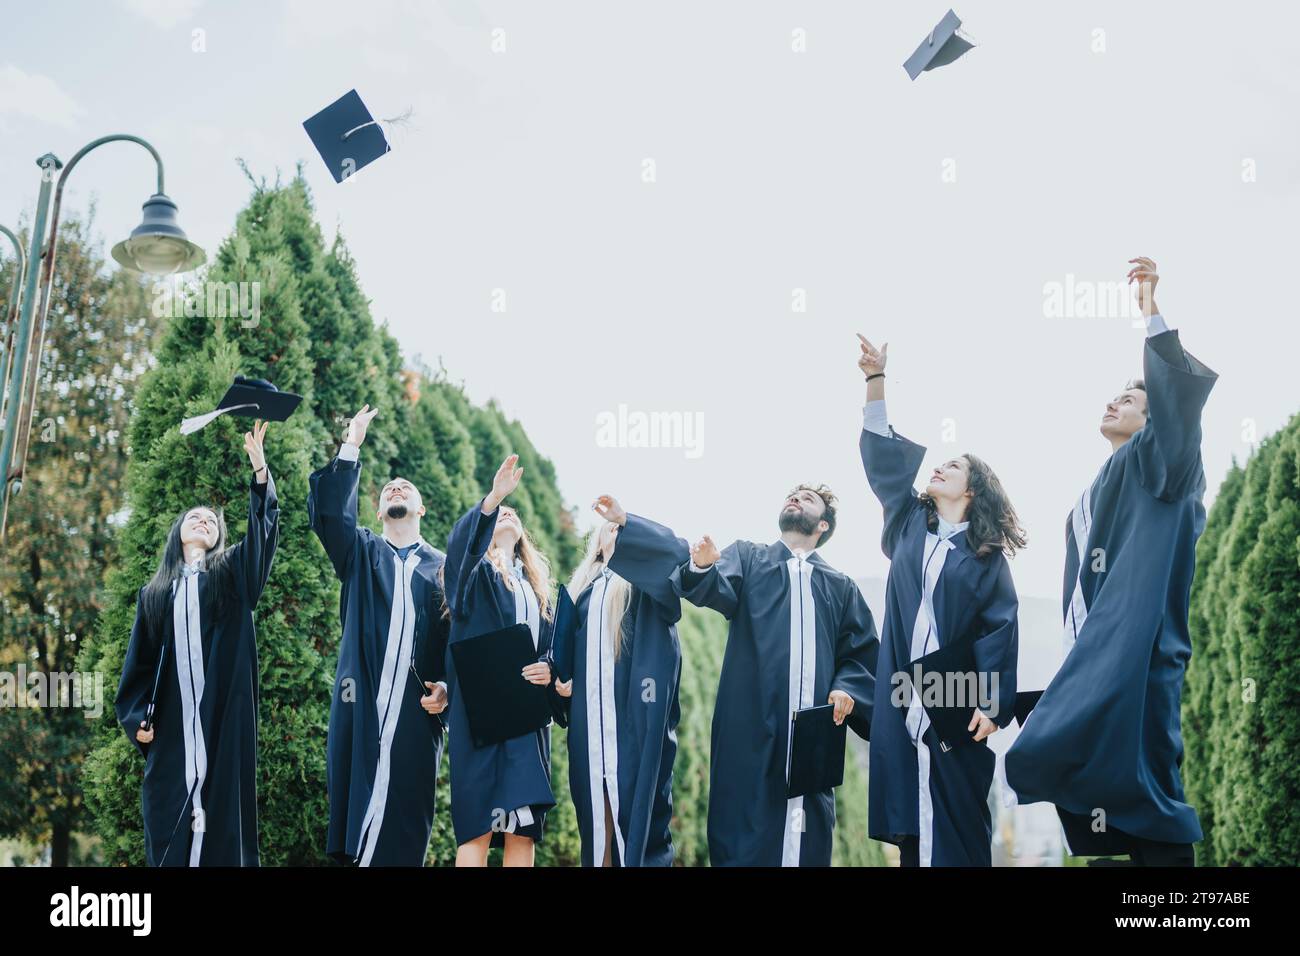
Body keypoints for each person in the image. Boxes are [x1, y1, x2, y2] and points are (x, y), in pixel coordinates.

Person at [1006, 258, 1217, 867]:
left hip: (1142, 660)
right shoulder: (1093, 490)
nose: (1114, 402)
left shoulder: (1162, 467)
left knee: (1150, 797)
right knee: (1095, 806)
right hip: (1093, 659)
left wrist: (1151, 314)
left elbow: (1180, 421)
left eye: (1129, 397)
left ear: (1155, 418)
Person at [856, 334, 1024, 866]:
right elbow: (885, 464)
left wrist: (993, 705)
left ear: (972, 491)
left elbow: (1001, 627)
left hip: (954, 700)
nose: (939, 468)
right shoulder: (908, 524)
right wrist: (875, 381)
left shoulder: (985, 557)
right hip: (903, 690)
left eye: (953, 467)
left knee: (956, 823)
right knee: (912, 824)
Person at [670, 484, 879, 866]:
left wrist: (847, 688)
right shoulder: (749, 558)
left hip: (815, 735)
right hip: (750, 726)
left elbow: (862, 657)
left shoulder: (840, 587)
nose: (795, 498)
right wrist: (702, 565)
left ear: (823, 525)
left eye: (808, 498)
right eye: (792, 494)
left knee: (807, 837)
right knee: (742, 830)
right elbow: (715, 589)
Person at [116, 420, 279, 866]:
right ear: (178, 534)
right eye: (195, 517)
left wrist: (261, 474)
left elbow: (261, 544)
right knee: (169, 829)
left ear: (217, 539)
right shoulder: (154, 595)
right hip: (171, 734)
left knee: (224, 829)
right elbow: (139, 669)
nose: (204, 520)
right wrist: (136, 721)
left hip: (222, 722)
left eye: (211, 520)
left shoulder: (231, 580)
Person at [308, 404, 450, 866]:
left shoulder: (445, 569)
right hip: (361, 703)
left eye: (405, 487)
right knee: (355, 820)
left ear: (421, 508)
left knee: (406, 822)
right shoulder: (361, 552)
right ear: (377, 508)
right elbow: (331, 516)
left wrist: (449, 687)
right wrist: (352, 443)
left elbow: (460, 643)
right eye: (389, 487)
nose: (396, 487)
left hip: (416, 714)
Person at [552, 495, 689, 866]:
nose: (615, 532)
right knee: (599, 827)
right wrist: (564, 687)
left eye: (622, 530)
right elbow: (568, 664)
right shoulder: (582, 592)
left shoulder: (647, 587)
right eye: (609, 528)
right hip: (590, 733)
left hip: (633, 728)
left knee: (639, 821)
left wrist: (625, 518)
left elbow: (678, 553)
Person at [442, 454, 560, 867]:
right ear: (488, 530)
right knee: (477, 825)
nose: (506, 514)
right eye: (498, 514)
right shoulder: (473, 579)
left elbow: (552, 648)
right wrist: (493, 498)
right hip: (481, 715)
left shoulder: (540, 593)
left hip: (526, 719)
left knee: (521, 831)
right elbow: (460, 554)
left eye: (512, 511)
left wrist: (549, 667)